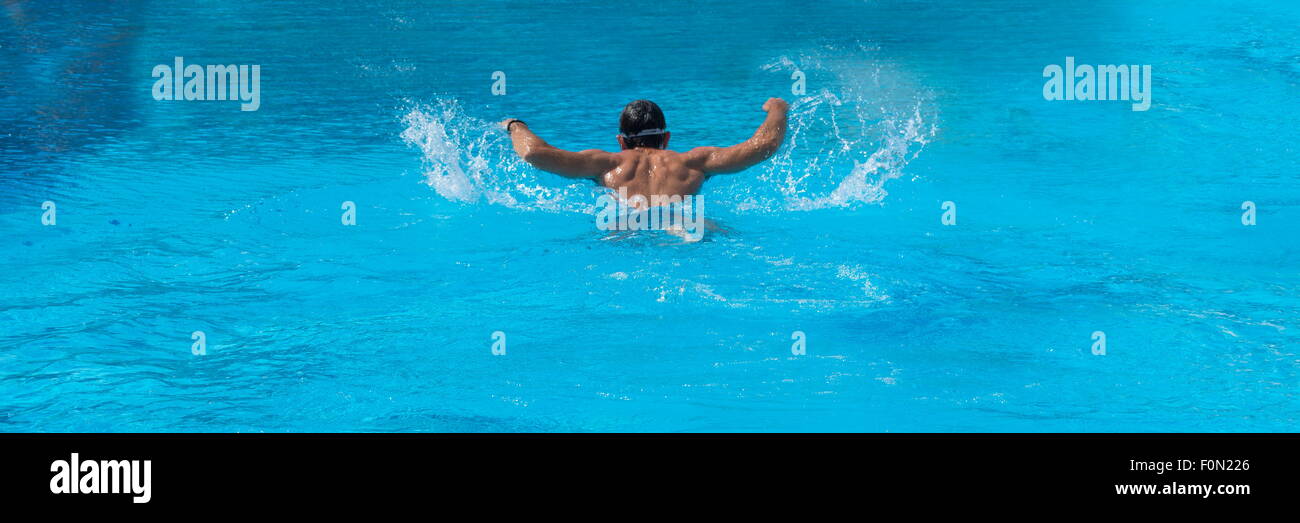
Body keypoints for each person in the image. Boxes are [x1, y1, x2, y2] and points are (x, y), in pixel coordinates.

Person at [501, 98, 788, 207]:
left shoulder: (604, 163)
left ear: (621, 141)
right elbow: (762, 147)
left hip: (621, 226)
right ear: (666, 138)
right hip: (684, 225)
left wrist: (515, 125)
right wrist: (777, 110)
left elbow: (534, 153)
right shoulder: (695, 162)